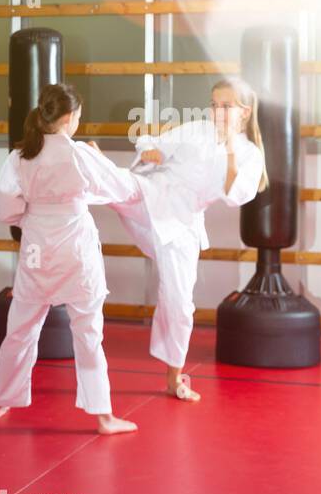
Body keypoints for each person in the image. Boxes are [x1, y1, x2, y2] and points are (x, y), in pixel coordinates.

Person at [0, 83, 139, 435]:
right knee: (88, 333)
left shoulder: (21, 155)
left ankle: (0, 400)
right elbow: (124, 189)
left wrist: (29, 217)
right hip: (75, 249)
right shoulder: (80, 154)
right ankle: (103, 416)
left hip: (37, 245)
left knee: (21, 329)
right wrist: (98, 159)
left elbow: (3, 206)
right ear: (69, 118)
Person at [111, 78, 268, 401]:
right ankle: (80, 160)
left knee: (180, 303)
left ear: (244, 112)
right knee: (111, 182)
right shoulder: (196, 129)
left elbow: (234, 194)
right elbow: (150, 142)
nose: (217, 112)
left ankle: (173, 378)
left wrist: (227, 148)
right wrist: (151, 151)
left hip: (182, 225)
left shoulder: (249, 154)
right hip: (152, 193)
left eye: (226, 107)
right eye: (214, 105)